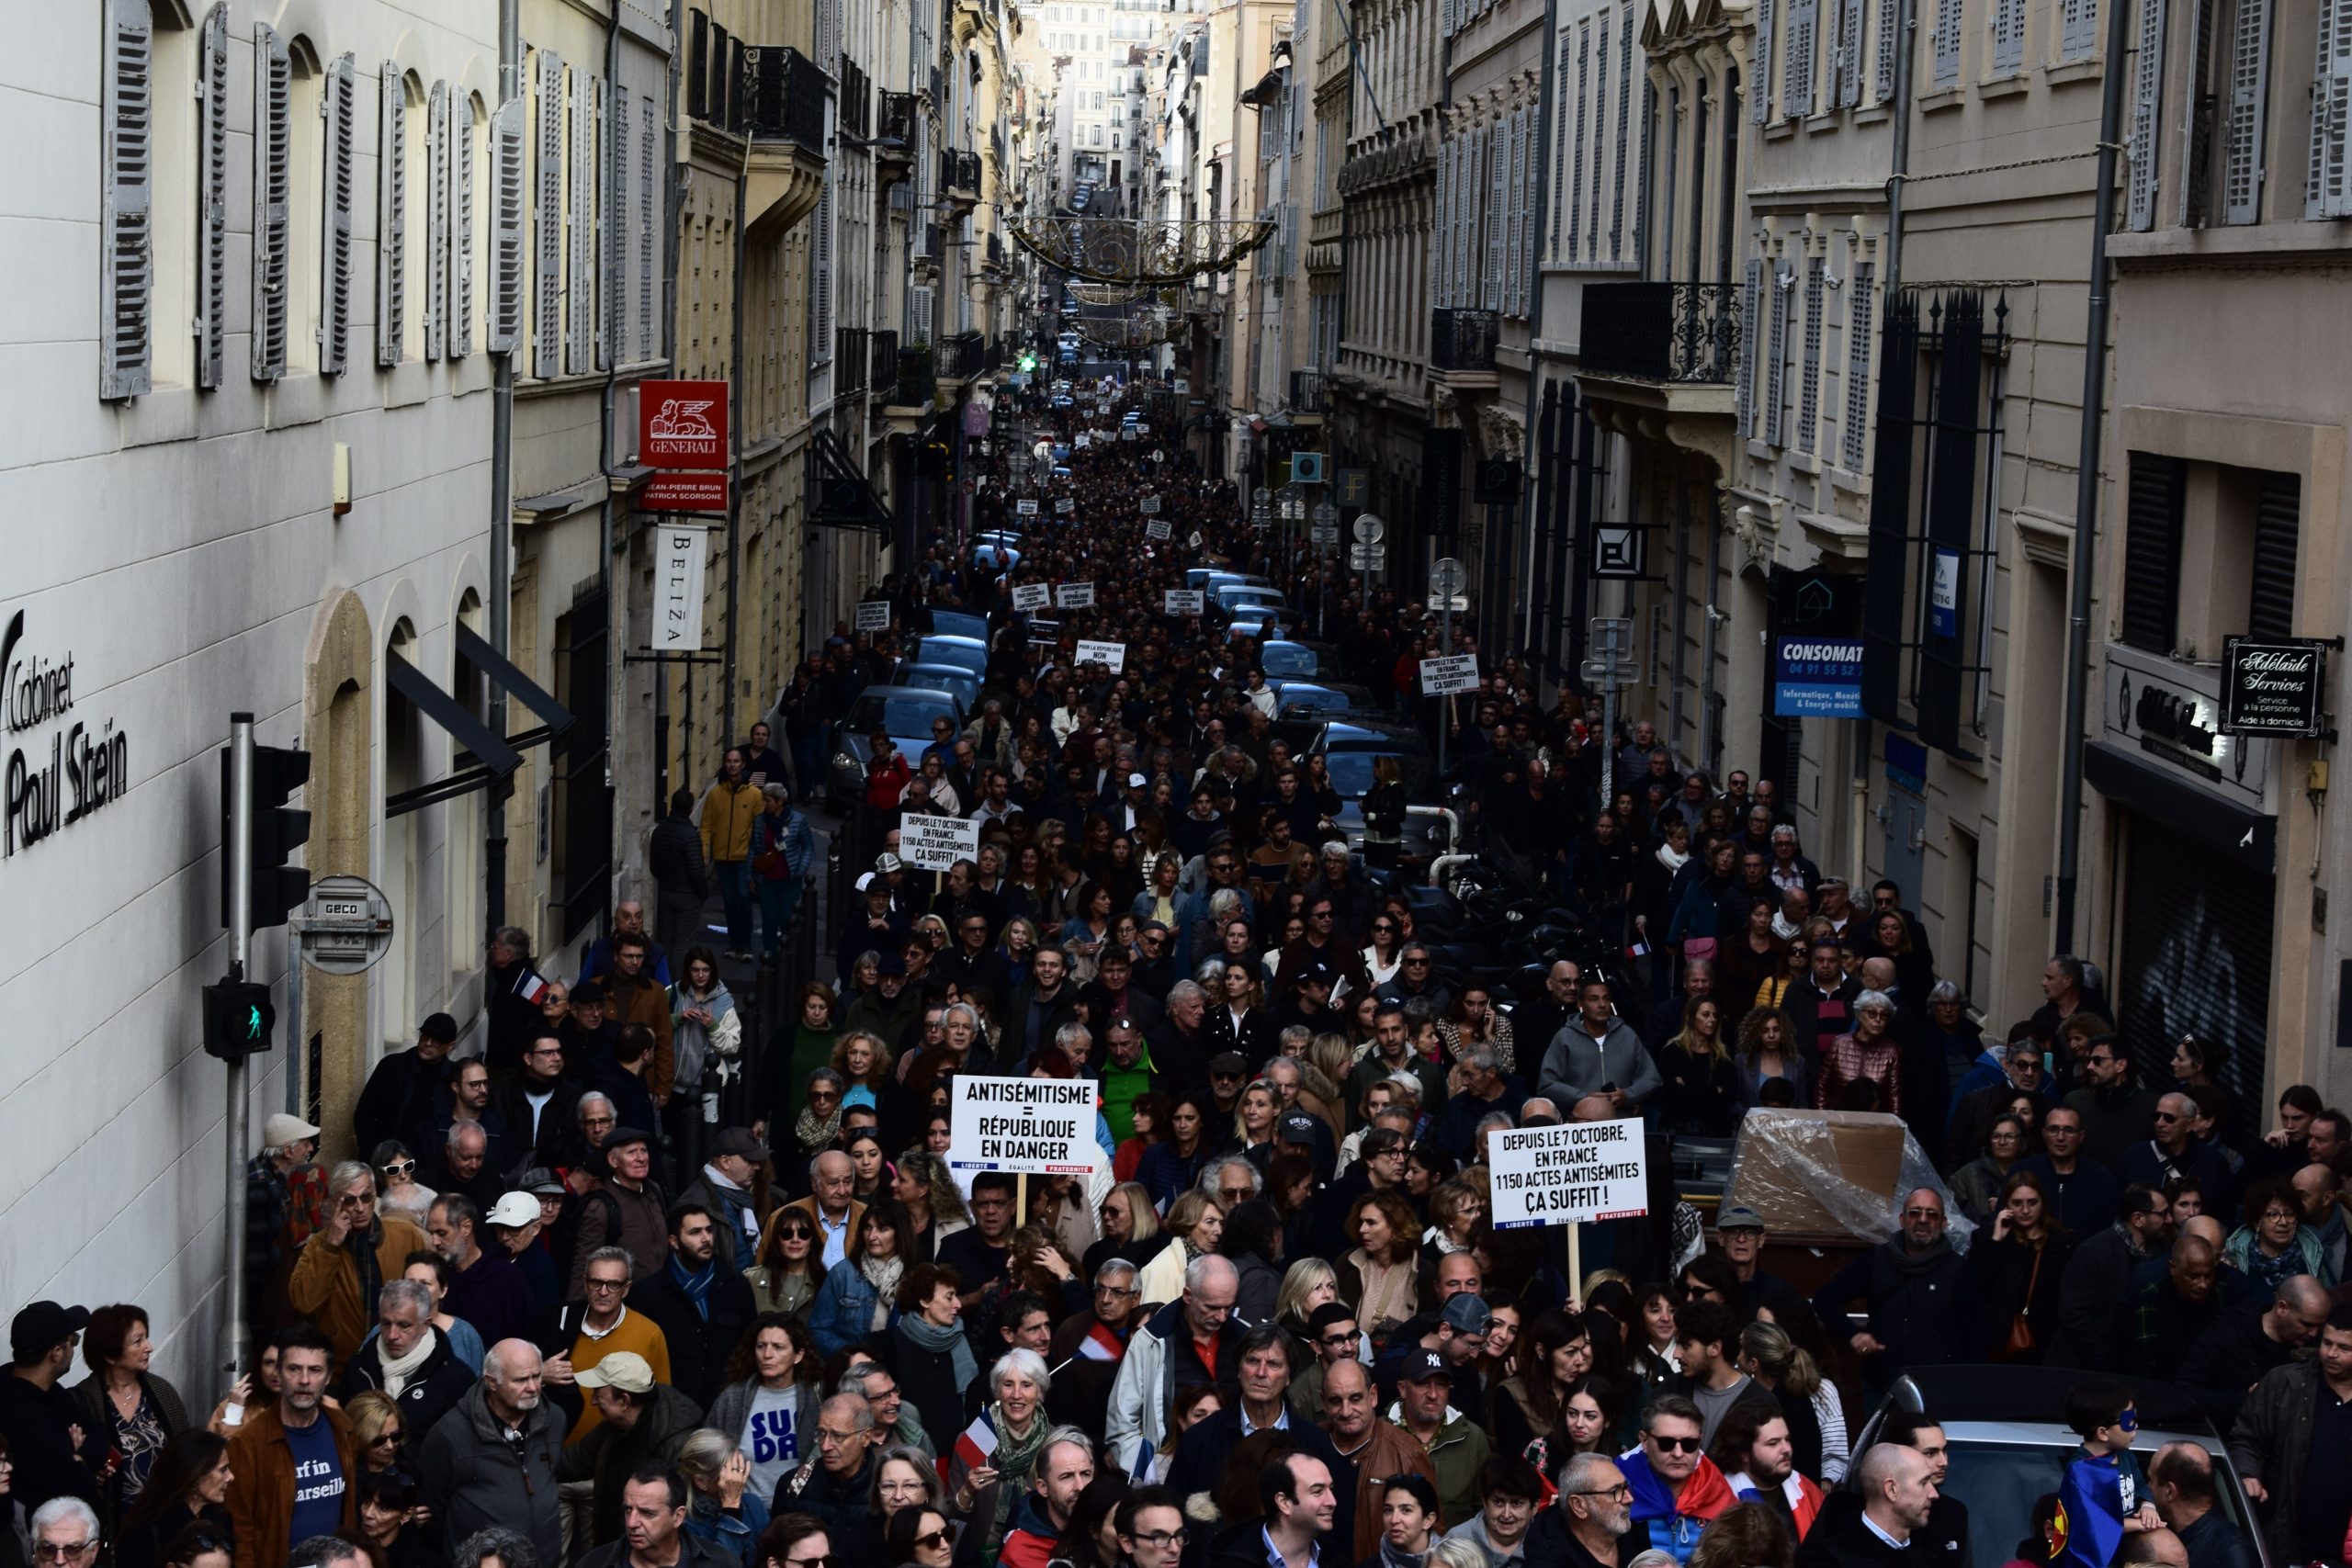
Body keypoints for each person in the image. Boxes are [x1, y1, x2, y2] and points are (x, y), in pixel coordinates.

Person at [1807, 1190, 1975, 1393]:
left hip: (1936, 1387)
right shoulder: (1876, 1261)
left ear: (1943, 1223)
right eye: (1915, 1212)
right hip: (1881, 1384)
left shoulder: (1958, 1270)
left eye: (1932, 1214)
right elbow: (1825, 1300)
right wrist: (1853, 1335)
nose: (1923, 1220)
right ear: (1902, 1219)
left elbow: (1973, 1333)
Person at [417, 1340, 563, 1568]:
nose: (533, 1387)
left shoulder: (554, 1418)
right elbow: (431, 1512)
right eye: (520, 1380)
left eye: (537, 1376)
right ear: (492, 1382)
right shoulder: (450, 1434)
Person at [224, 1325, 357, 1568]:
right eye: (294, 1369)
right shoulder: (250, 1442)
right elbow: (241, 1530)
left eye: (315, 1370)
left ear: (328, 1377)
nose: (304, 1380)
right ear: (279, 1373)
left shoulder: (342, 1428)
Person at [1106, 1255, 1243, 1475]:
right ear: (1187, 1295)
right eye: (1212, 1307)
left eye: (1229, 1307)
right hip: (1169, 1479)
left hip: (1234, 1478)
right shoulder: (1150, 1341)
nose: (1221, 1317)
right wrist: (1154, 1473)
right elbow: (1122, 1424)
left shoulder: (1244, 1338)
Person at [288, 1164, 430, 1372]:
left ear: (375, 1195)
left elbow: (430, 1294)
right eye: (349, 1200)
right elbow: (305, 1302)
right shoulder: (319, 1245)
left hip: (399, 1362)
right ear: (334, 1202)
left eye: (366, 1197)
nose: (360, 1208)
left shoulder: (405, 1235)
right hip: (342, 1366)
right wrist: (331, 1246)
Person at [561, 1354, 704, 1551]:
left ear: (624, 1401)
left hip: (650, 1555)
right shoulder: (614, 1426)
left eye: (598, 1393)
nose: (593, 1401)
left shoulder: (677, 1442)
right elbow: (571, 1462)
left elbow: (685, 1516)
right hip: (613, 1547)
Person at [633, 1203, 761, 1411]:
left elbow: (750, 1344)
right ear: (674, 1241)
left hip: (728, 1404)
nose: (706, 1238)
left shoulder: (736, 1286)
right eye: (695, 1232)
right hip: (673, 1408)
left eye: (709, 1230)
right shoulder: (648, 1294)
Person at [327, 1280, 470, 1461]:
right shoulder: (358, 1367)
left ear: (425, 1325)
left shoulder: (455, 1378)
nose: (392, 1335)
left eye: (404, 1326)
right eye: (386, 1323)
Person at [1320, 1359, 1436, 1556]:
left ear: (1373, 1396)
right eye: (1336, 1401)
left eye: (1355, 1398)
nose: (1346, 1411)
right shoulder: (1309, 1443)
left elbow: (1433, 1532)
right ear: (1323, 1402)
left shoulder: (1407, 1453)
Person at [2178, 1274, 2328, 1426]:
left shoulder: (2319, 1344)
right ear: (2282, 1308)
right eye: (2307, 1324)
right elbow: (2185, 1393)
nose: (2314, 1333)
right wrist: (2246, 1396)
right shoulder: (2227, 1335)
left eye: (2319, 1325)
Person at [2053, 1382, 2162, 1568]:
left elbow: (2140, 1484)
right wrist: (2138, 1525)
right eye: (2129, 1421)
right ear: (2103, 1433)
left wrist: (2148, 1506)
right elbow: (2095, 1523)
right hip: (2096, 1559)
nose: (2136, 1426)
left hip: (2127, 1552)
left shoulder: (2126, 1455)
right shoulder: (2081, 1471)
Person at [1791, 1444, 1934, 1568]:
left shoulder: (1924, 1548)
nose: (1933, 1494)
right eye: (1923, 1483)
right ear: (1892, 1490)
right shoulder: (1833, 1558)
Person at [1392, 1350, 1491, 1530]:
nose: (1433, 1394)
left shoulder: (1473, 1439)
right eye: (1422, 1383)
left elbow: (1484, 1511)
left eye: (1441, 1384)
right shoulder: (1380, 1434)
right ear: (1402, 1388)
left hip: (1456, 1545)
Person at [1535, 977, 1659, 1116]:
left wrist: (1628, 1095)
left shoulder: (1626, 1035)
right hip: (1582, 1122)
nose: (1602, 1005)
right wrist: (1583, 1097)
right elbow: (1547, 1084)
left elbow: (1651, 1078)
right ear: (1580, 1005)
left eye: (1606, 999)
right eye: (1594, 999)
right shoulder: (1565, 1038)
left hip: (1623, 1121)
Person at [571, 1463, 739, 1568]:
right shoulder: (595, 1563)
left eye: (647, 1513)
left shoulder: (721, 1563)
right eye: (628, 1510)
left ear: (678, 1517)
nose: (631, 1523)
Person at [115, 1432, 235, 1568]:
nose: (231, 1477)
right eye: (223, 1470)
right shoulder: (145, 1533)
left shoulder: (221, 1520)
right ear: (196, 1475)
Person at [772, 1394, 879, 1545]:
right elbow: (776, 1546)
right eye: (821, 1434)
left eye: (838, 1436)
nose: (825, 1446)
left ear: (866, 1438)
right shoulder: (794, 1484)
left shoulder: (885, 1487)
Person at [1708, 1406, 1820, 1545]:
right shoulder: (1718, 1499)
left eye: (1787, 1439)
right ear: (1743, 1453)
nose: (1786, 1449)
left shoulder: (1807, 1490)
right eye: (1773, 1443)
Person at [355, 1016, 461, 1160]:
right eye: (425, 1035)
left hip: (429, 1165)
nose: (428, 1043)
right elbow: (364, 1114)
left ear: (450, 1046)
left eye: (437, 1040)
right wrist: (374, 1155)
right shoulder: (391, 1067)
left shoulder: (454, 1079)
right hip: (386, 1161)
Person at [1206, 1453, 1336, 1568]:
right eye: (1317, 1491)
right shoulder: (1233, 1563)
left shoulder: (1336, 1560)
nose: (1332, 1502)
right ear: (1284, 1503)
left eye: (1331, 1489)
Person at [996, 1426, 1094, 1568]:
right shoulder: (1019, 1552)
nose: (1080, 1487)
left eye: (1086, 1474)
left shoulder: (1106, 1533)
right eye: (1066, 1477)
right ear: (1043, 1488)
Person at [1526, 1451, 1645, 1568]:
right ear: (1579, 1506)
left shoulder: (1634, 1534)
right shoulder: (1546, 1562)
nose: (1629, 1498)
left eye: (1625, 1487)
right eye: (1615, 1491)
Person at [704, 749, 764, 962]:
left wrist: (758, 857)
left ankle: (745, 944)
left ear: (743, 764)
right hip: (722, 857)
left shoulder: (754, 794)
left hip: (744, 857)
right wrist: (705, 852)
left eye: (736, 761)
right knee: (729, 902)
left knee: (743, 898)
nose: (732, 765)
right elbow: (706, 826)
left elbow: (759, 827)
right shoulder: (715, 794)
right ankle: (734, 942)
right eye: (729, 761)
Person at [1446, 1457, 1542, 1568]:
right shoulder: (1455, 1541)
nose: (1506, 1515)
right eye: (1498, 1502)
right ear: (1484, 1502)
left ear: (1534, 1507)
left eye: (1516, 1503)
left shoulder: (1547, 1544)